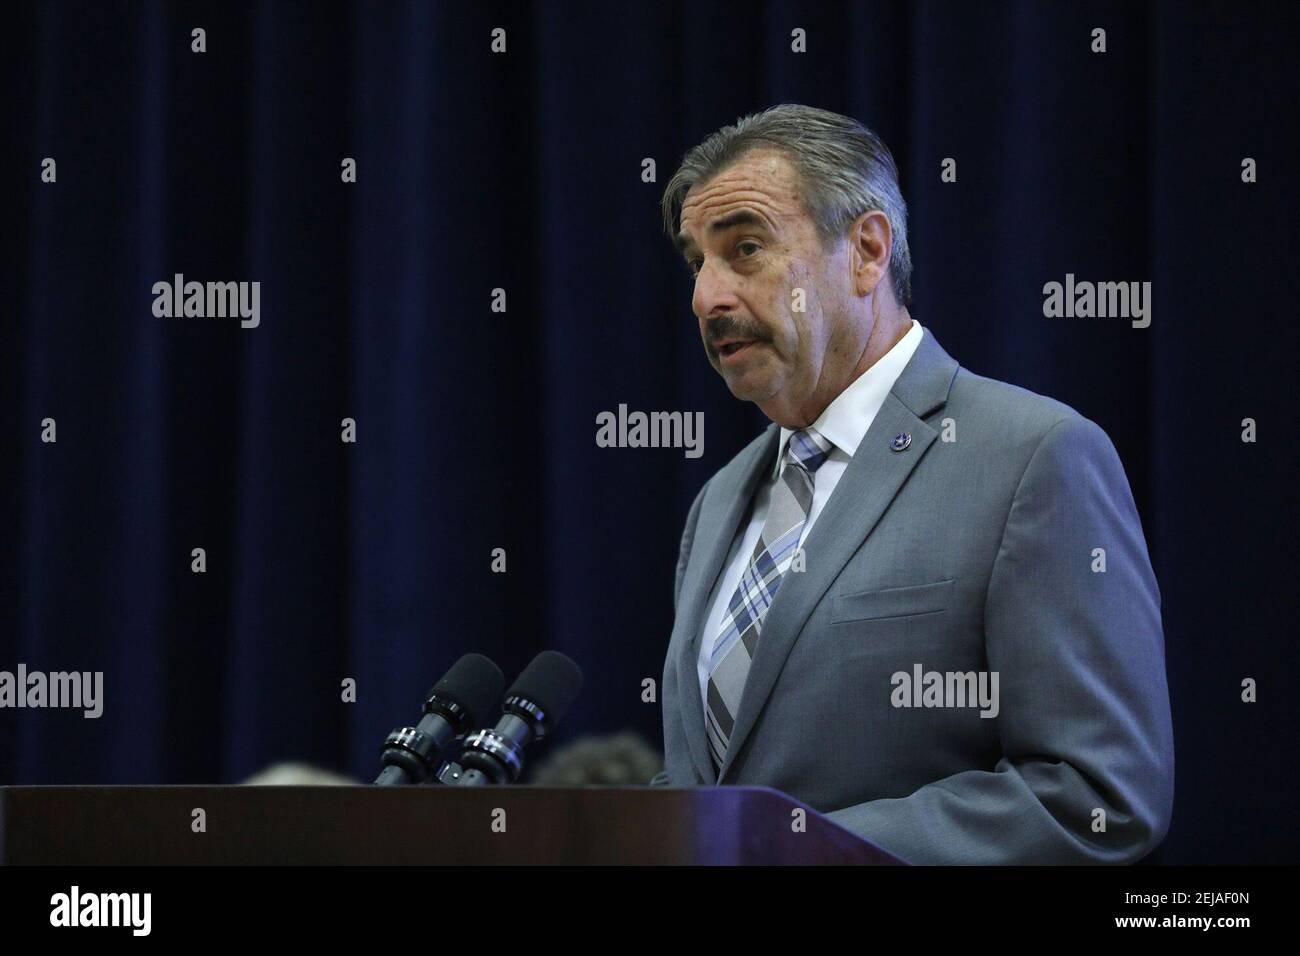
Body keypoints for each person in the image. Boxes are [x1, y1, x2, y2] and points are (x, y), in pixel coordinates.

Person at [649, 104, 1174, 865]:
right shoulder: (719, 501)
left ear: (866, 251)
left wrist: (783, 851)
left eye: (746, 248)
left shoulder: (1034, 457)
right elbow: (702, 784)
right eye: (698, 262)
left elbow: (1098, 795)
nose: (707, 298)